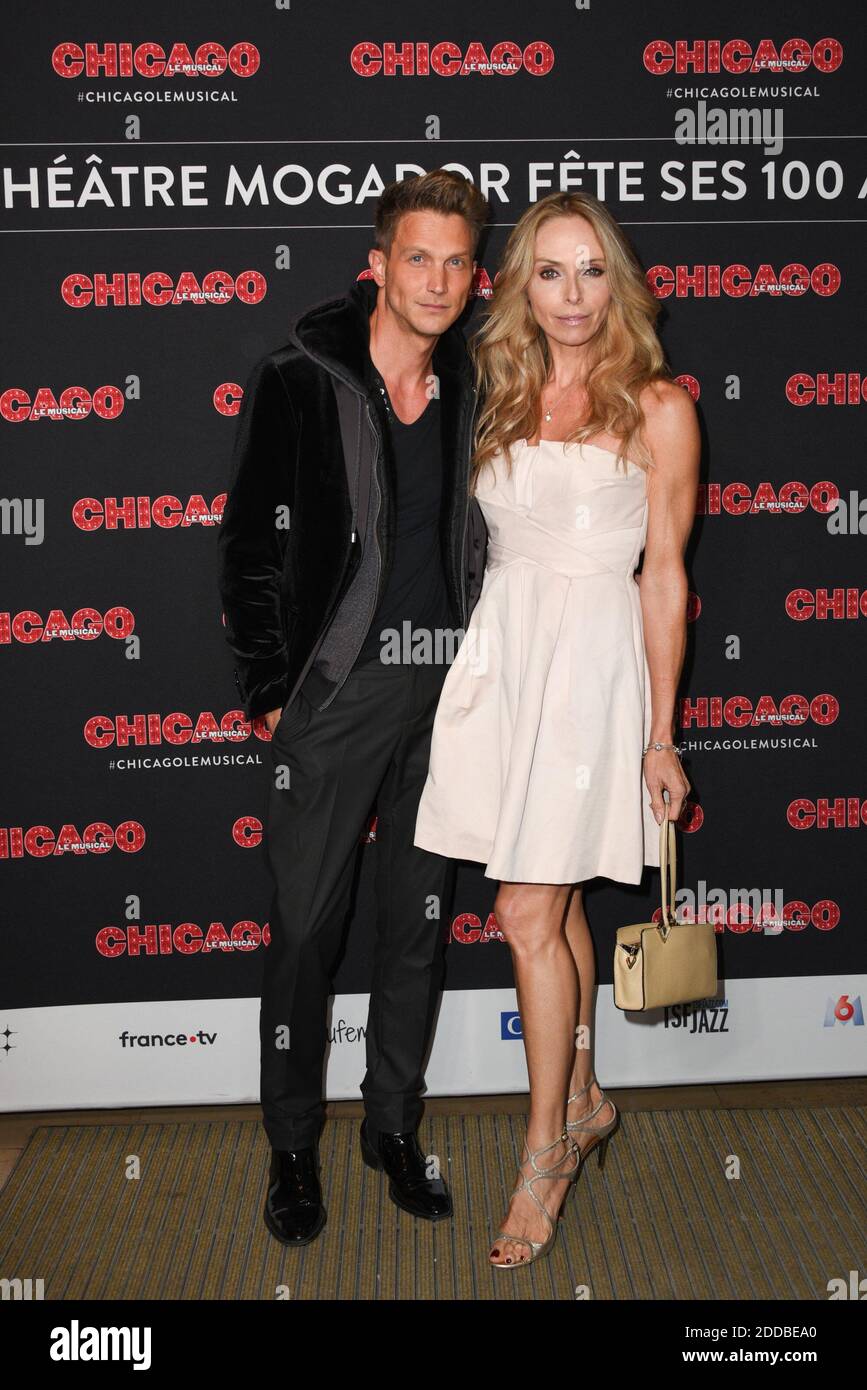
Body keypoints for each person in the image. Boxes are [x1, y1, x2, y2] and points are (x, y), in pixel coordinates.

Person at [413, 191, 699, 1267]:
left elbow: (665, 578)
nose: (571, 296)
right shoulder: (496, 389)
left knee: (526, 907)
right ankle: (582, 1092)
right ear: (518, 285)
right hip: (507, 657)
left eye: (589, 272)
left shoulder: (659, 405)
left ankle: (545, 1157)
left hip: (593, 671)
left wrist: (661, 735)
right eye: (549, 272)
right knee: (559, 893)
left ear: (613, 281)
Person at [217, 170, 490, 1245]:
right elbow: (246, 548)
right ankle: (292, 1145)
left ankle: (391, 1124)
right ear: (377, 264)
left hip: (451, 691)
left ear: (476, 277)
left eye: (456, 261)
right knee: (305, 929)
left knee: (415, 924)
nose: (436, 279)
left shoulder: (479, 379)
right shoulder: (300, 377)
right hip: (336, 695)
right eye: (417, 257)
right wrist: (270, 690)